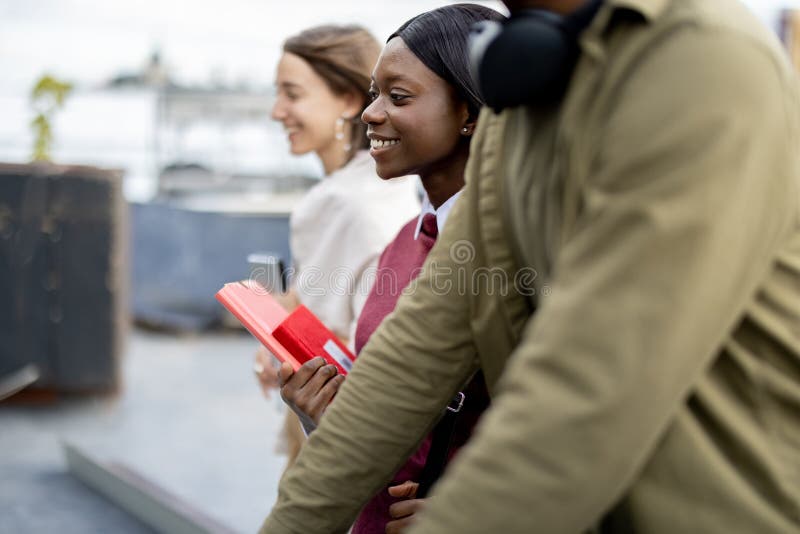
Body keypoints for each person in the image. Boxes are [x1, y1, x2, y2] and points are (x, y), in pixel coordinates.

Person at [262, 0, 800, 533]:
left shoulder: (706, 62)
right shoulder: (516, 111)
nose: (373, 114)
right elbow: (414, 354)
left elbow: (585, 394)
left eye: (397, 96)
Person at [273, 5, 504, 533]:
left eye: (397, 97)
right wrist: (323, 418)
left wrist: (478, 512)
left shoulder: (511, 254)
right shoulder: (407, 241)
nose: (370, 114)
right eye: (375, 94)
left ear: (470, 113)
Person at [253, 24, 419, 463]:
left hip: (336, 426)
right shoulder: (391, 187)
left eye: (292, 94)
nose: (277, 111)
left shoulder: (339, 203)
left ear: (348, 100)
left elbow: (336, 329)